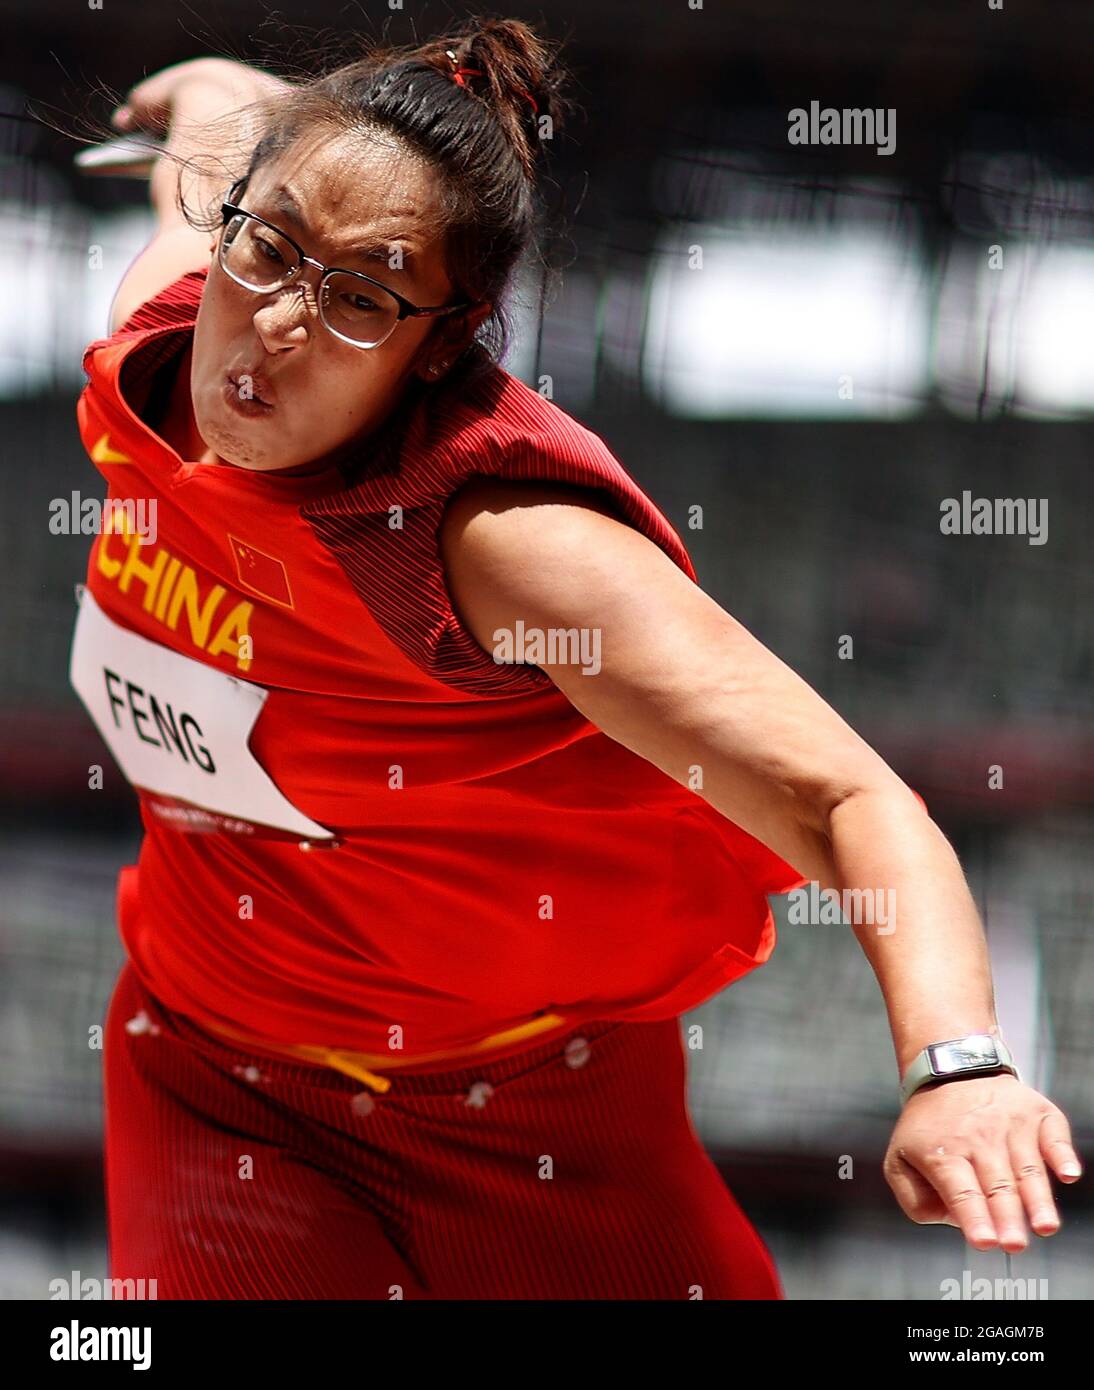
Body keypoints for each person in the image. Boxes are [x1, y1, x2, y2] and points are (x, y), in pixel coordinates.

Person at [72, 19, 1080, 1300]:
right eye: (267, 249)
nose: (275, 324)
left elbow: (852, 798)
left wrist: (960, 1068)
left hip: (542, 1107)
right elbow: (209, 171)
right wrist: (222, 96)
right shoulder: (155, 339)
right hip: (214, 1078)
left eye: (362, 296)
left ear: (443, 340)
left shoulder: (506, 547)